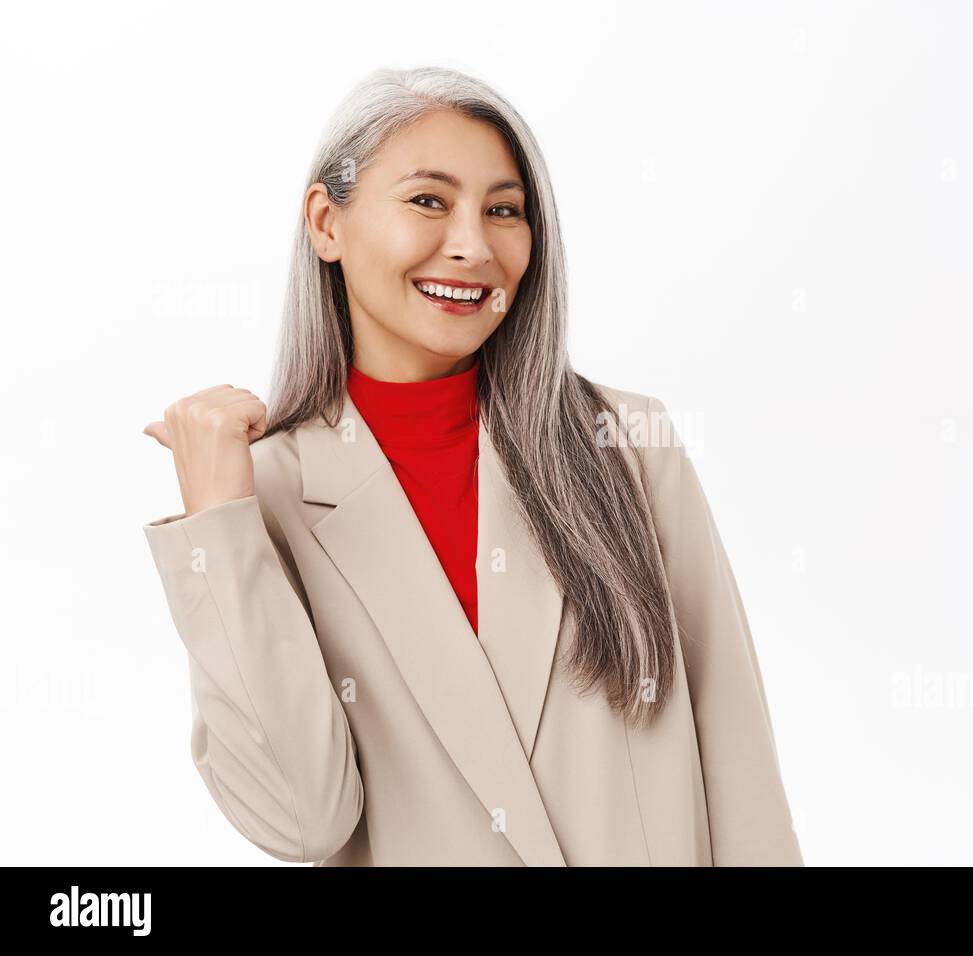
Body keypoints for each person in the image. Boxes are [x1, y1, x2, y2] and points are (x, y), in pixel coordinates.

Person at [141, 66, 802, 866]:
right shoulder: (265, 496)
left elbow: (741, 773)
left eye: (504, 211)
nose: (472, 245)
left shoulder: (626, 443)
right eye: (428, 200)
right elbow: (303, 820)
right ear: (326, 223)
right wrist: (217, 521)